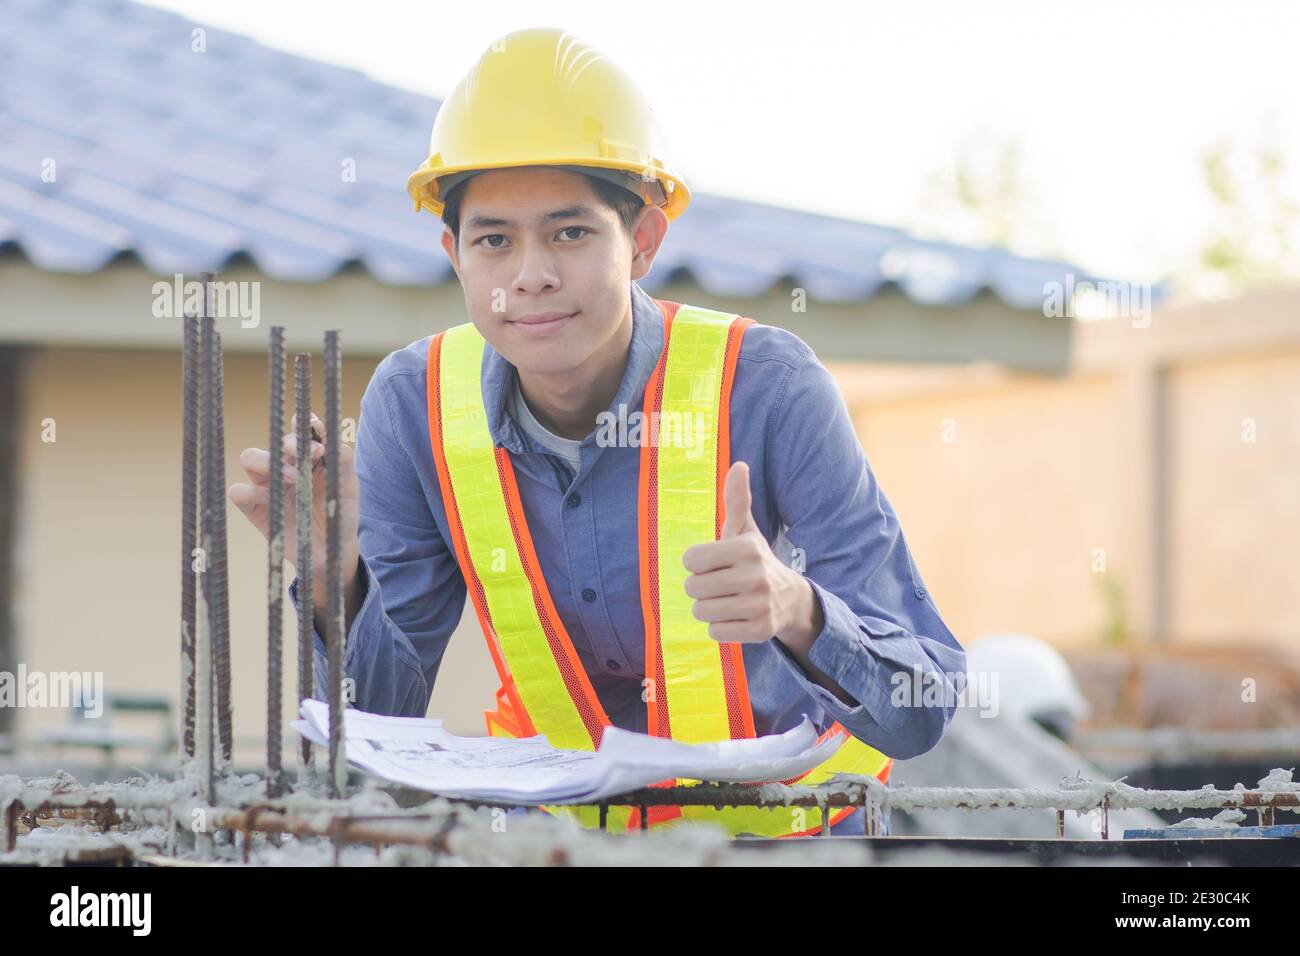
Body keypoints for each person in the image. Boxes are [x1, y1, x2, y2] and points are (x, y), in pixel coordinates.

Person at [230, 27, 965, 837]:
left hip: (794, 851)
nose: (531, 274)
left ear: (642, 240)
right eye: (493, 240)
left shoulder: (771, 387)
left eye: (570, 232)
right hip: (564, 850)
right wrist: (338, 578)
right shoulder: (414, 407)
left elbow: (921, 707)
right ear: (453, 254)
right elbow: (375, 725)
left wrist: (799, 609)